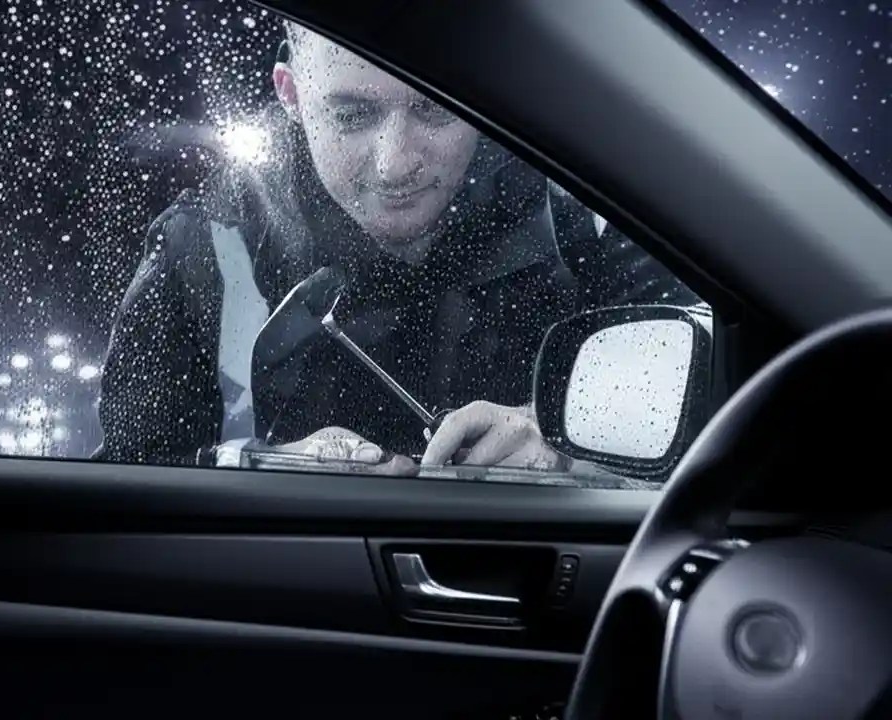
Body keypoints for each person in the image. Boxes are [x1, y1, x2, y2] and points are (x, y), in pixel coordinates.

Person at [92, 22, 697, 471]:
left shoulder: (586, 212)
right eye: (352, 117)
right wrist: (254, 468)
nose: (395, 164)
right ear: (292, 95)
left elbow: (731, 388)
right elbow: (126, 487)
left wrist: (567, 445)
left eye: (435, 105)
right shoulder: (203, 246)